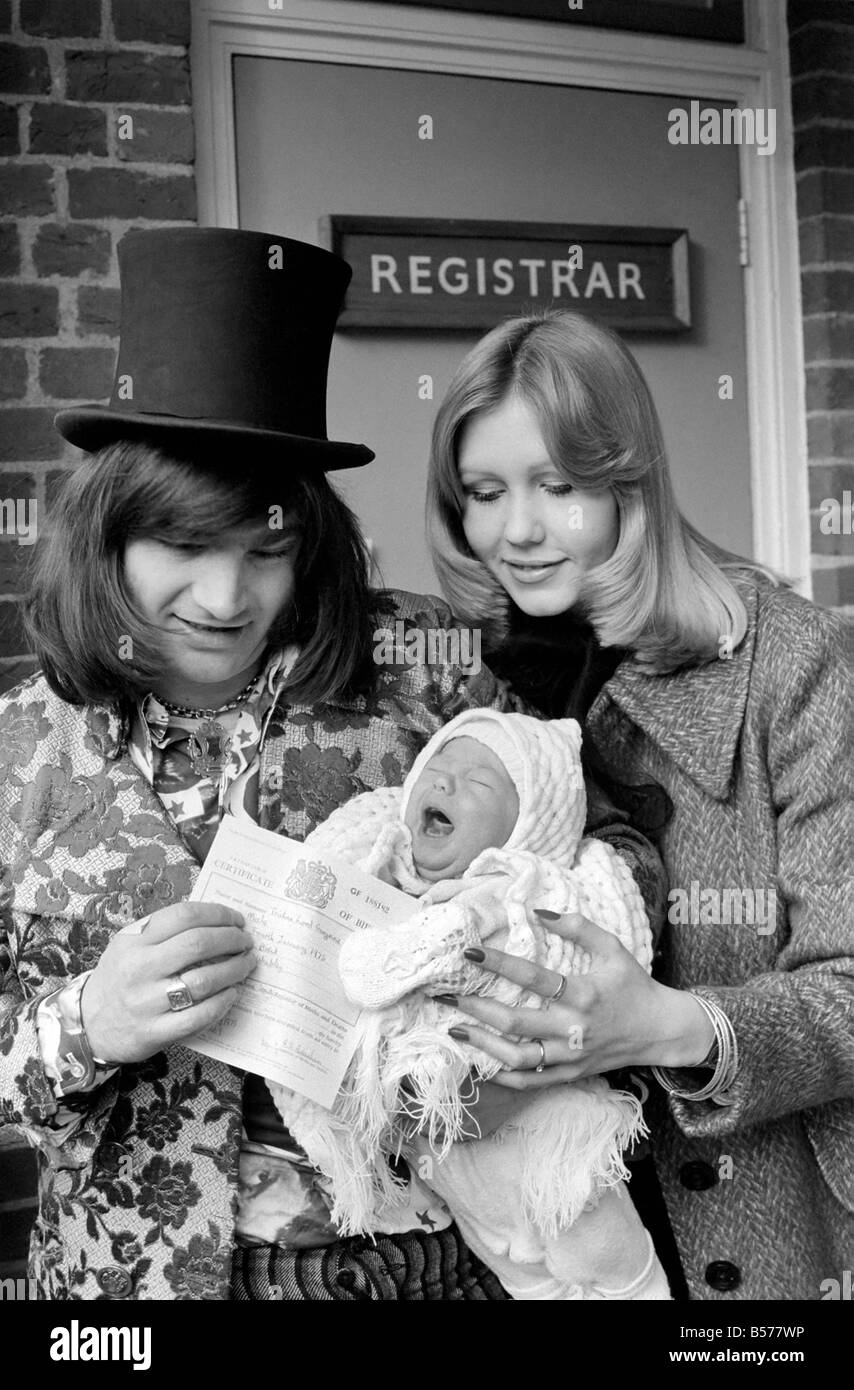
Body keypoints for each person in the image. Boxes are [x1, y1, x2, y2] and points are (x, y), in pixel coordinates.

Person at [0, 233, 663, 1302]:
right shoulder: (18, 750)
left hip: (418, 1269)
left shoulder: (420, 665)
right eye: (181, 548)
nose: (225, 599)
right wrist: (87, 1024)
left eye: (264, 552)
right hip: (119, 1291)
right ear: (106, 535)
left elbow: (606, 839)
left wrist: (516, 944)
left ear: (307, 538)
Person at [424, 308, 853, 1301]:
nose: (514, 531)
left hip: (765, 1246)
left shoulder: (788, 666)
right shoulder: (466, 681)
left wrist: (667, 1026)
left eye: (556, 488)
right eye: (483, 493)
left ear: (628, 476)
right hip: (531, 1242)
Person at [269, 707, 671, 1300]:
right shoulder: (384, 878)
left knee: (615, 1274)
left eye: (479, 783)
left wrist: (373, 962)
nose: (446, 783)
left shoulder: (507, 896)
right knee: (526, 1280)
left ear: (526, 827)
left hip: (547, 1151)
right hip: (452, 1167)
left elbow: (418, 957)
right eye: (436, 769)